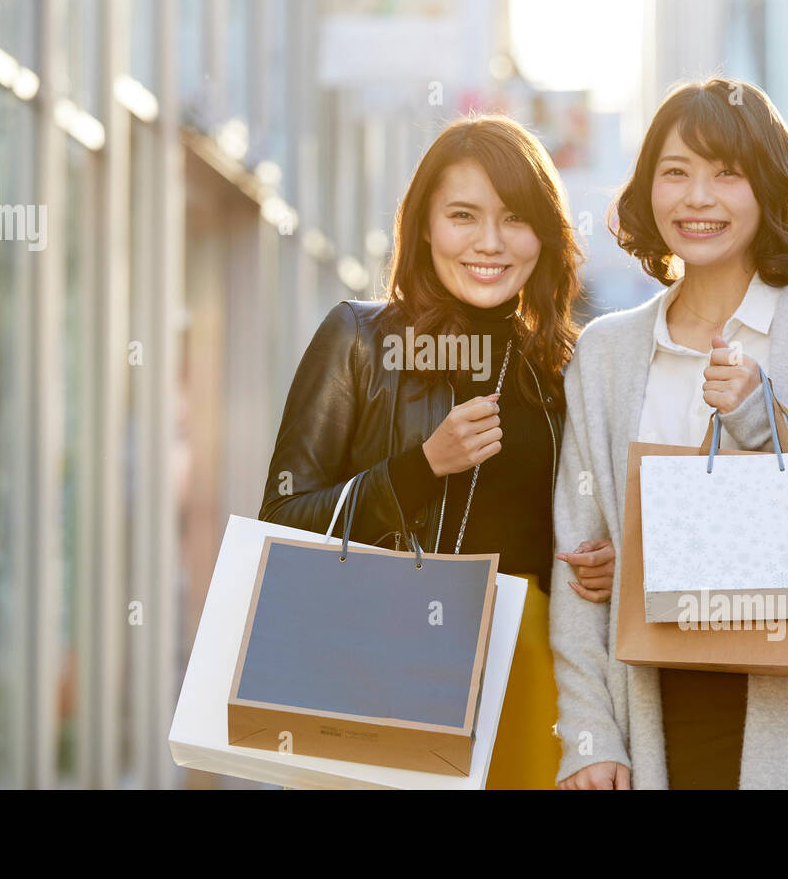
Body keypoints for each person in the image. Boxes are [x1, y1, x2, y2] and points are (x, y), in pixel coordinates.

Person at [550, 78, 788, 789]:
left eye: (726, 173)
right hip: (652, 727)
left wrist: (770, 423)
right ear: (648, 190)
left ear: (767, 188)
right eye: (675, 173)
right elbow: (576, 562)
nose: (698, 197)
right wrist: (589, 734)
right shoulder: (606, 353)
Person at [260, 114, 616, 788]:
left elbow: (575, 536)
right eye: (462, 215)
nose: (489, 242)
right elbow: (280, 522)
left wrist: (606, 564)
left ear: (544, 233)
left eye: (515, 218)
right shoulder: (360, 341)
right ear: (424, 226)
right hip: (390, 666)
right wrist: (420, 468)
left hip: (529, 673)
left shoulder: (566, 371)